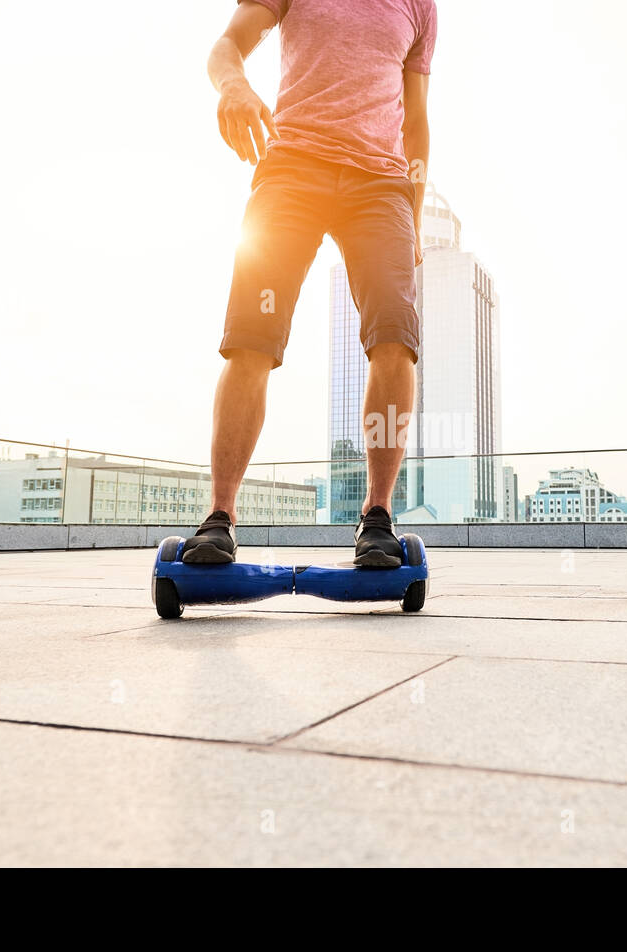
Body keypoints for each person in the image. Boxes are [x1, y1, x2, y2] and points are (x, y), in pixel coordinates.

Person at [182, 0, 436, 568]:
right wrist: (235, 87)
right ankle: (219, 518)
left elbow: (415, 120)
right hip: (292, 168)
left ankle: (377, 518)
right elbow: (227, 46)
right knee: (252, 336)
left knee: (395, 338)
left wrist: (412, 213)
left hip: (381, 185)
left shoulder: (420, 6)